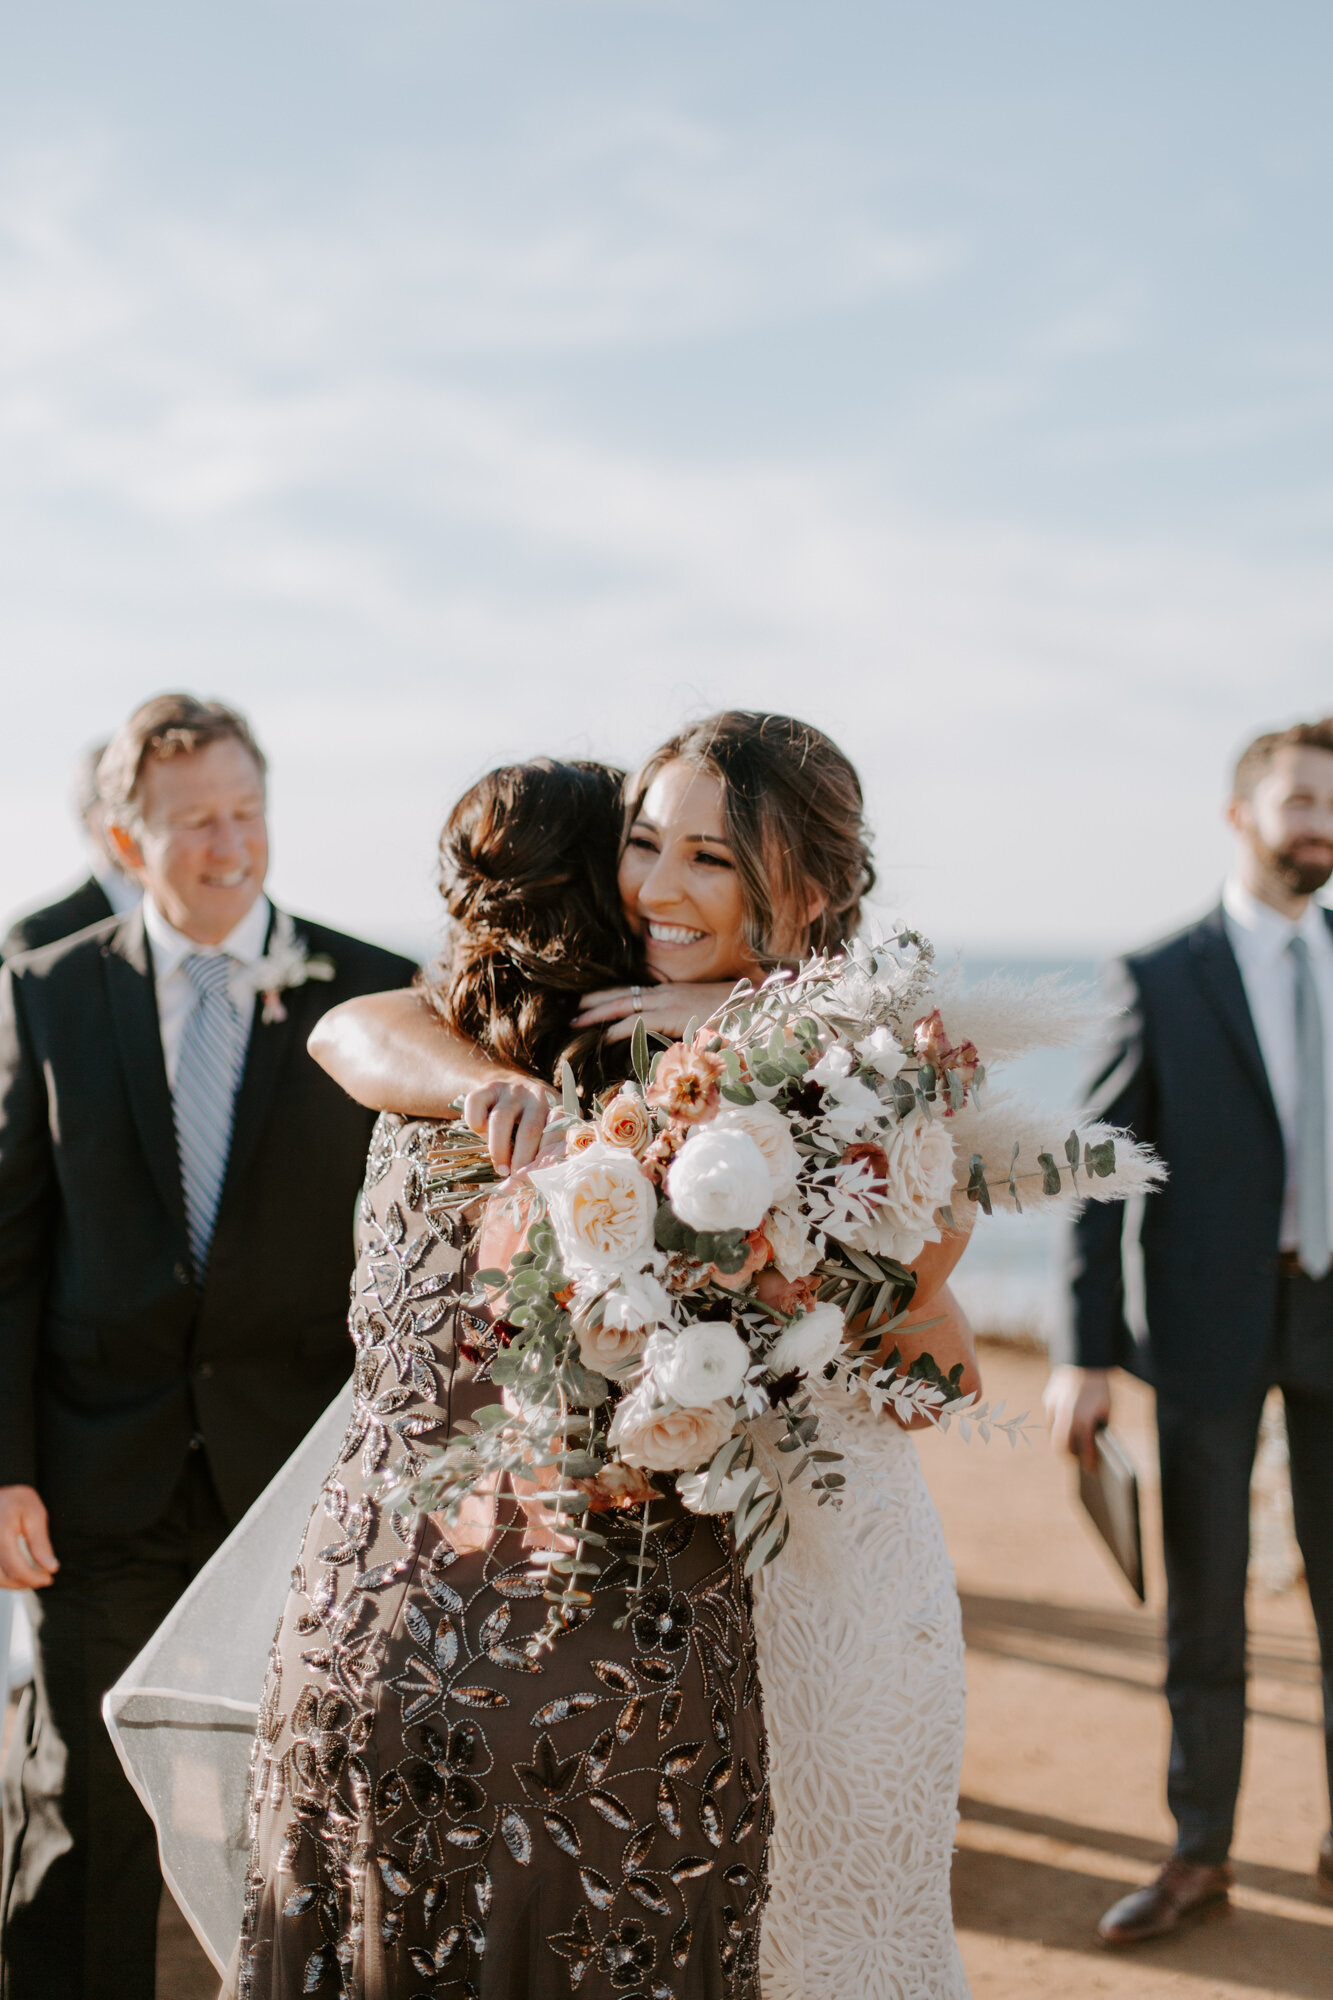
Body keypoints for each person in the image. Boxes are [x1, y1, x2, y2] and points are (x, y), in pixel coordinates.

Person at [308, 712, 978, 1999]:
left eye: (711, 860)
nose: (658, 887)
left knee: (840, 1931)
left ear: (811, 886)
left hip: (830, 1562)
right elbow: (352, 1026)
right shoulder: (595, 1031)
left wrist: (750, 1033)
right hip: (658, 1589)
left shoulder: (885, 1066)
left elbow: (939, 1355)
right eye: (642, 842)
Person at [0, 692, 416, 2000]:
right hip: (96, 1474)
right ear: (129, 841)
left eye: (246, 811)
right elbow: (10, 1252)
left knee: (308, 1815)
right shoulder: (49, 991)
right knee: (80, 1807)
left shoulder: (375, 992)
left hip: (297, 1492)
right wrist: (5, 1465)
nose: (228, 844)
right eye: (193, 822)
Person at [1046, 716, 1333, 1944]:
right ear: (1241, 814)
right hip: (1205, 1328)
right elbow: (1093, 1171)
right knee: (1204, 1610)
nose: (1321, 823)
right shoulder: (1157, 975)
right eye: (1301, 800)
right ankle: (1198, 1852)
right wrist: (1082, 1352)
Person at [1, 740, 141, 961]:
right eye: (118, 799)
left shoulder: (201, 920)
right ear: (84, 813)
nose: (135, 815)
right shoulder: (39, 937)